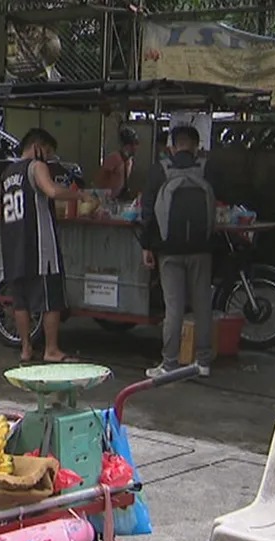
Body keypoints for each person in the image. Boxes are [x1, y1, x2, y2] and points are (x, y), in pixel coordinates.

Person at [0, 128, 88, 364]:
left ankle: (26, 349)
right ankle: (52, 350)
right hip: (38, 245)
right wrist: (79, 196)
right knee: (50, 298)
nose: (48, 158)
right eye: (47, 152)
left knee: (21, 301)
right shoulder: (36, 167)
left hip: (13, 245)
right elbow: (51, 190)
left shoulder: (7, 173)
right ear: (37, 146)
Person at [140, 125, 217, 379]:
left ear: (172, 145)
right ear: (196, 146)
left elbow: (148, 212)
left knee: (174, 306)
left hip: (169, 249)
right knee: (202, 305)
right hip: (201, 248)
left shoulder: (159, 170)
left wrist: (147, 246)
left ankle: (169, 364)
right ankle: (204, 362)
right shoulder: (207, 168)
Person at [95, 126, 140, 200]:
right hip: (106, 198)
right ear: (127, 146)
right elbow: (100, 177)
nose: (136, 148)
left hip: (118, 198)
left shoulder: (129, 161)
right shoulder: (114, 158)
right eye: (133, 145)